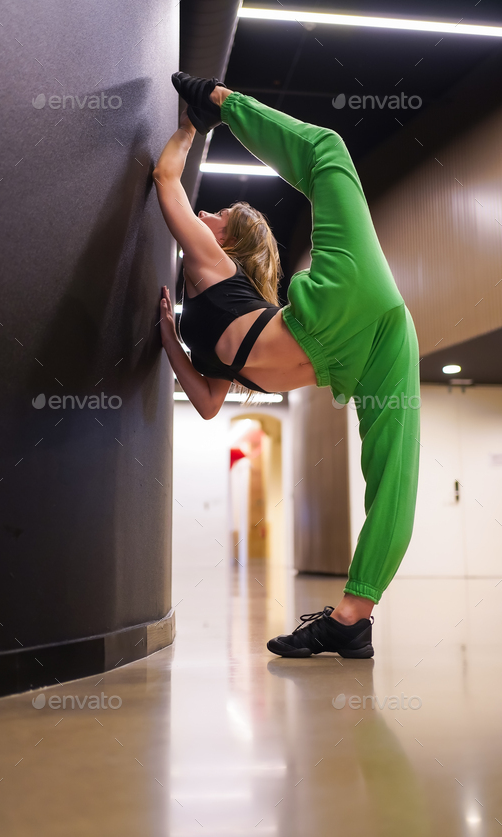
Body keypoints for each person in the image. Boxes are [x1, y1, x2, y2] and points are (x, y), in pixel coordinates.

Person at [153, 73, 421, 660]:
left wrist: (194, 122)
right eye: (214, 211)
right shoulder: (212, 292)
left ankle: (224, 97)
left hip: (342, 303)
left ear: (226, 245)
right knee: (393, 478)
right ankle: (352, 620)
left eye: (217, 213)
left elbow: (165, 178)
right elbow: (207, 404)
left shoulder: (213, 275)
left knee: (329, 150)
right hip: (374, 337)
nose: (206, 212)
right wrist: (171, 338)